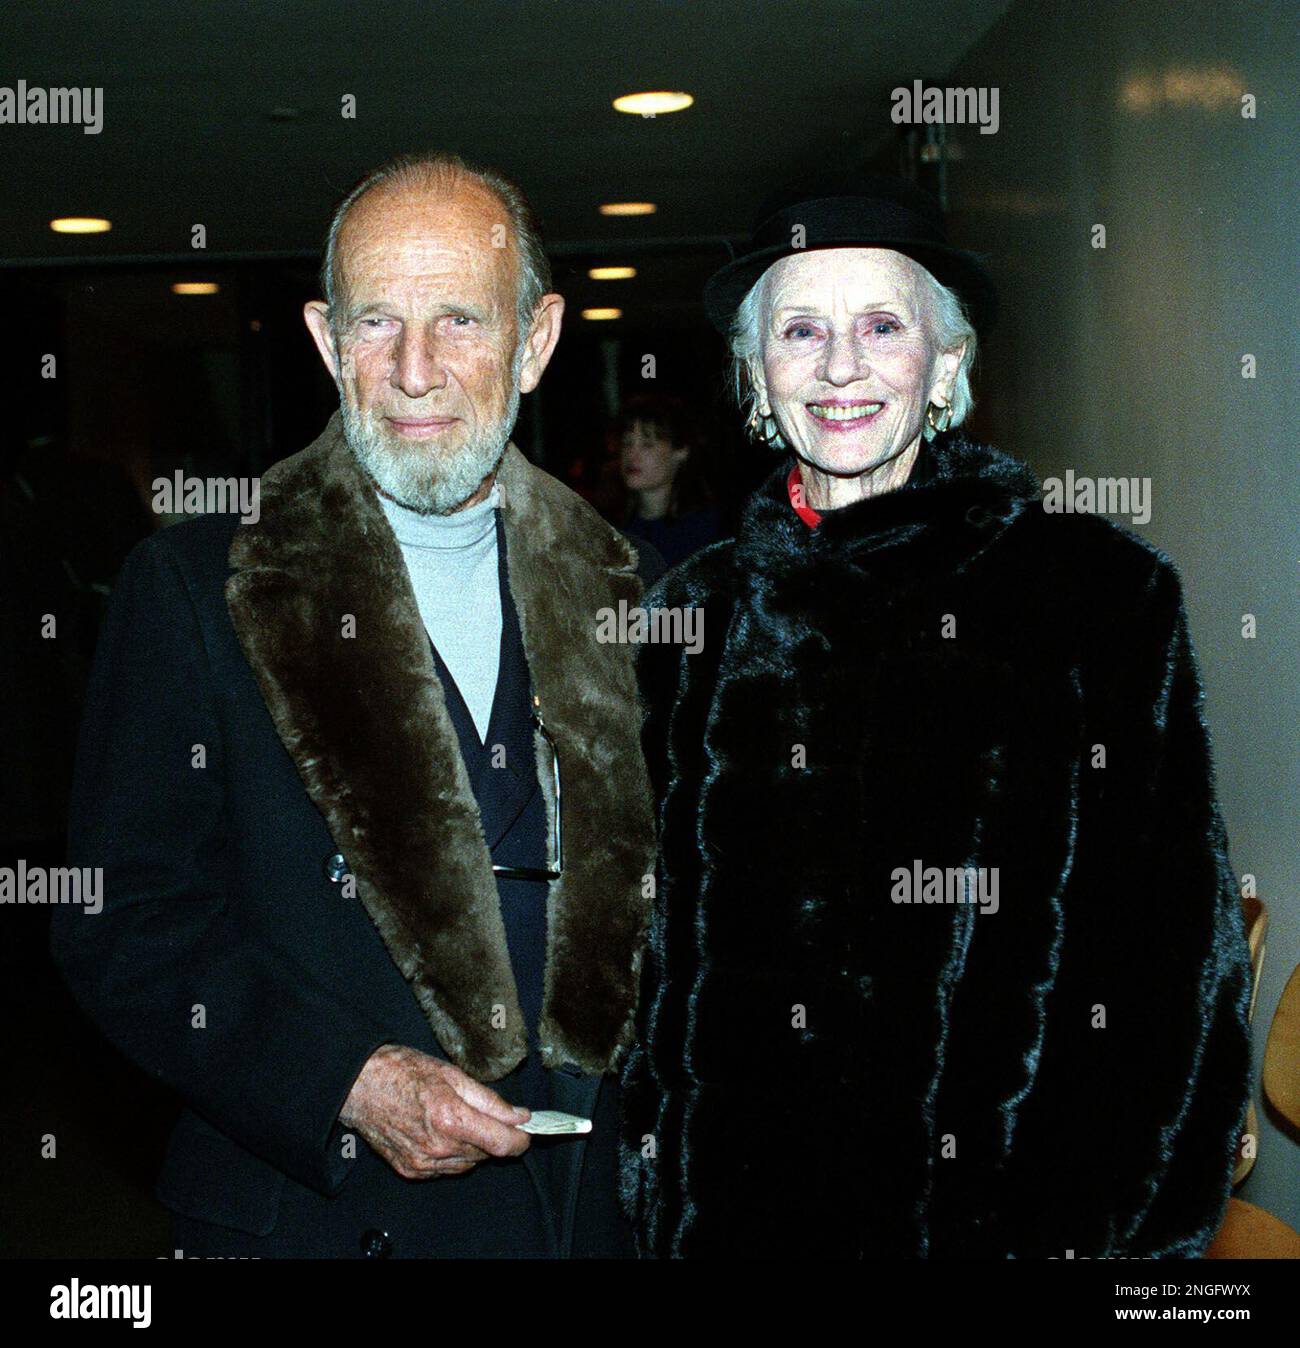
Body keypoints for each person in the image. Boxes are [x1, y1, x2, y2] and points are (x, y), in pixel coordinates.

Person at [618, 176, 1252, 1258]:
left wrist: (1121, 1242)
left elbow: (1172, 960)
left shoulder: (1092, 592)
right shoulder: (690, 612)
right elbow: (651, 940)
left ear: (946, 363)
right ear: (756, 378)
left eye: (881, 326)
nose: (840, 366)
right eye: (801, 331)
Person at [51, 151, 660, 1259]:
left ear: (536, 341)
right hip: (322, 1219)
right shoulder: (200, 587)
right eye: (378, 324)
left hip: (581, 1217)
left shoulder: (629, 589)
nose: (416, 371)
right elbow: (119, 914)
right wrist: (344, 1078)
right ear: (329, 343)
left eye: (462, 322)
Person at [616, 394, 724, 567]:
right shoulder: (614, 531)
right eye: (627, 443)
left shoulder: (706, 532)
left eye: (647, 444)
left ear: (681, 451)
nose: (632, 454)